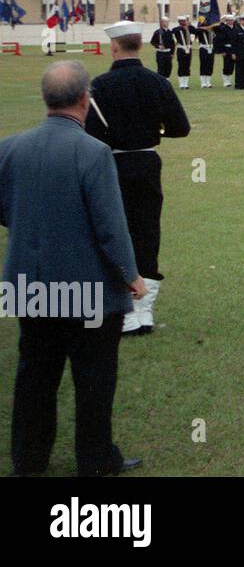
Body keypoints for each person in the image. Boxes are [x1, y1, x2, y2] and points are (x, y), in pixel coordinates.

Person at [1, 61, 147, 476]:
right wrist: (130, 275)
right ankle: (97, 460)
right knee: (94, 380)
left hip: (30, 283)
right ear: (85, 99)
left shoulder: (10, 148)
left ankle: (28, 461)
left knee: (34, 378)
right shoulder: (94, 152)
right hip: (87, 289)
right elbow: (110, 227)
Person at [85, 20, 192, 336]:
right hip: (147, 162)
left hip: (112, 164)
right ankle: (143, 312)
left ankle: (125, 311)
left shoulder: (99, 86)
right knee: (147, 231)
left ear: (114, 46)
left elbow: (90, 134)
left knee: (115, 232)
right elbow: (180, 128)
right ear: (140, 46)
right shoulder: (157, 82)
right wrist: (152, 131)